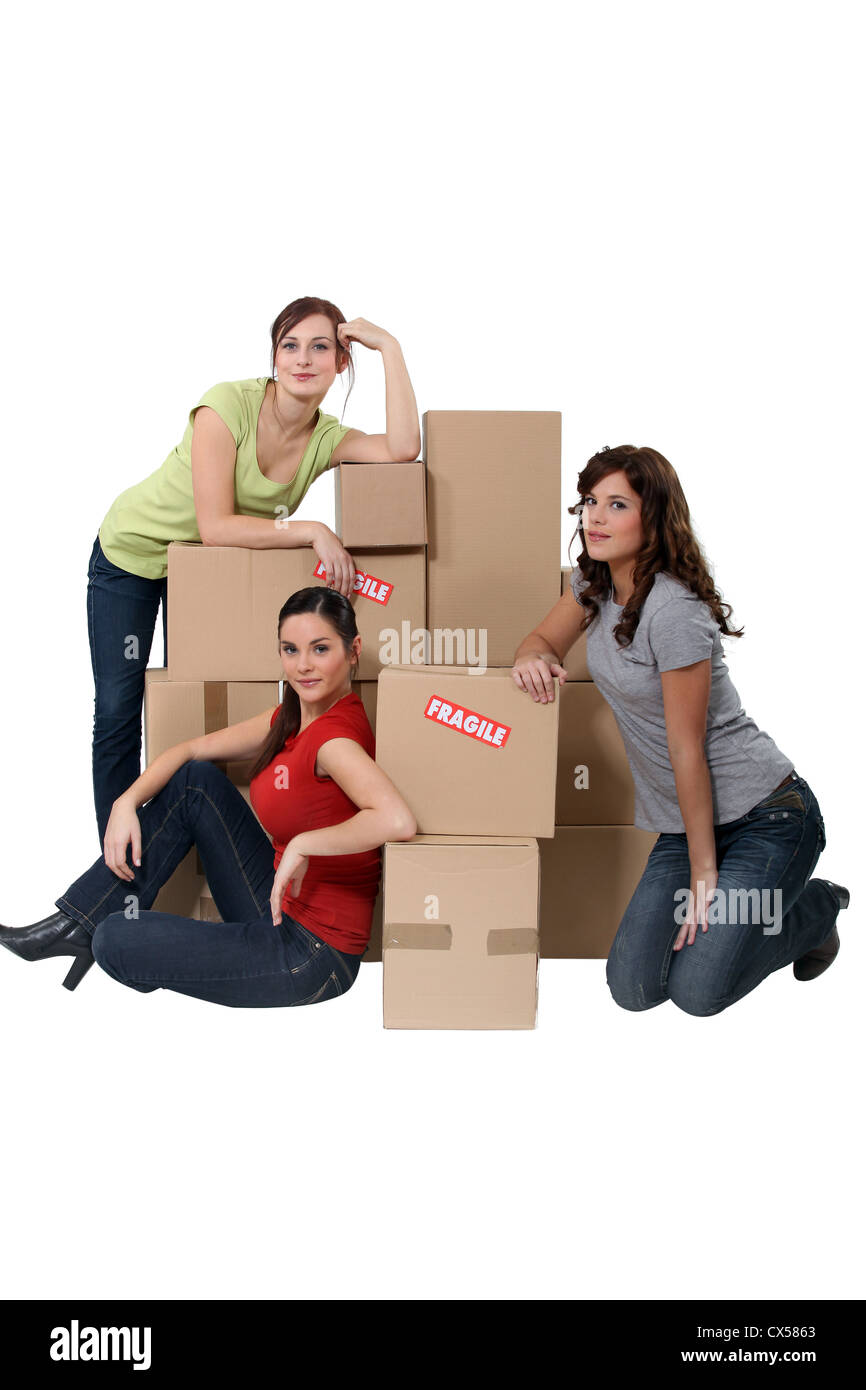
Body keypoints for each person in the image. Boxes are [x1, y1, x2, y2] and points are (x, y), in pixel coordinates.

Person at [511, 445, 848, 1017]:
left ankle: (813, 910)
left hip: (765, 815)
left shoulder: (673, 610)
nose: (594, 517)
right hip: (685, 821)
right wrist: (531, 658)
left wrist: (703, 872)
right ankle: (760, 909)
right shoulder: (591, 587)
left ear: (653, 518)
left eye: (616, 505)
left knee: (699, 992)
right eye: (590, 502)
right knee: (635, 989)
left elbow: (686, 748)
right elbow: (539, 641)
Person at [88, 296, 420, 845]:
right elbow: (216, 524)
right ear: (273, 356)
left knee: (193, 698)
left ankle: (171, 851)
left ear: (342, 361)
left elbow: (404, 447)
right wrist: (311, 529)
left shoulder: (326, 438)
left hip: (203, 572)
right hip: (134, 556)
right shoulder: (226, 406)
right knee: (120, 709)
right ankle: (112, 871)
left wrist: (390, 348)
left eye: (321, 347)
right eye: (290, 346)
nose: (303, 359)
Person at [0, 588, 416, 1007]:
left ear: (354, 650)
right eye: (291, 650)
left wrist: (306, 845)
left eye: (320, 649)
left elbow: (397, 820)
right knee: (194, 782)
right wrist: (124, 803)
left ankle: (107, 936)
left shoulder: (334, 741)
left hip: (311, 955)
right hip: (275, 905)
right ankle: (76, 923)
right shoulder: (292, 718)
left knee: (115, 937)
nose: (303, 665)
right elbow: (190, 750)